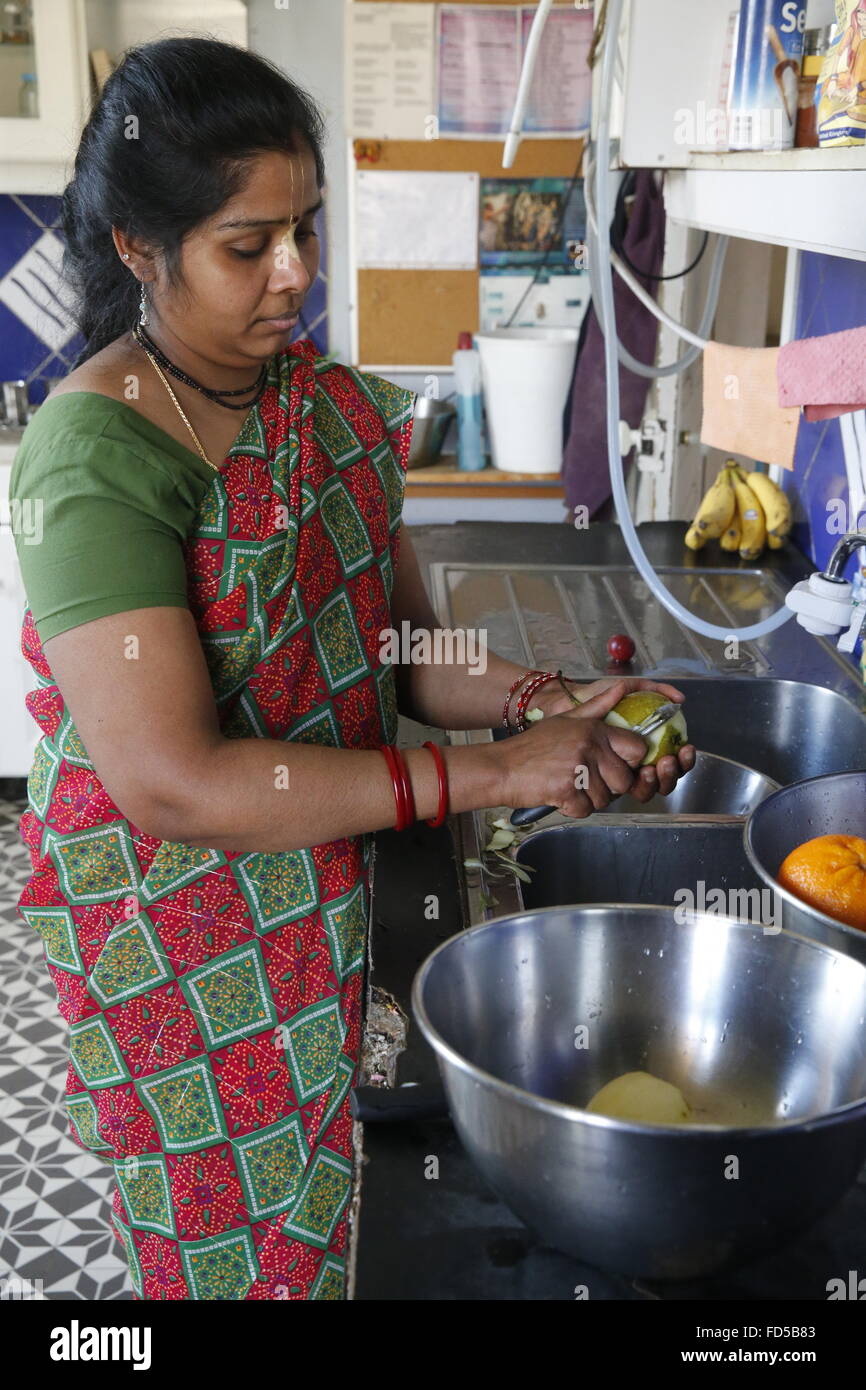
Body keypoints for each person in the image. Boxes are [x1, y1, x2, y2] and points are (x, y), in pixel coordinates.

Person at [9, 36, 695, 1302]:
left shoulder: (318, 406)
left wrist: (540, 703)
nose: (296, 274)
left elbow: (394, 647)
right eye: (247, 243)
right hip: (185, 948)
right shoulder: (96, 456)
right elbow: (169, 780)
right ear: (136, 251)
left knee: (351, 1225)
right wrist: (488, 773)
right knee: (239, 1254)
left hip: (340, 880)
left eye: (306, 229)